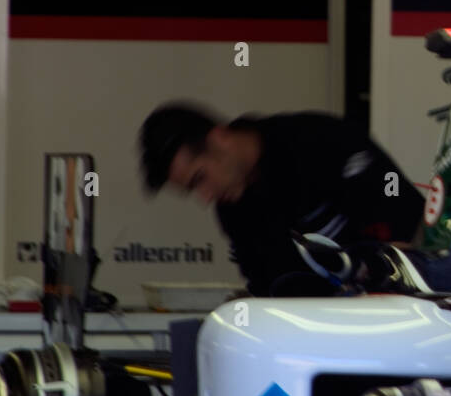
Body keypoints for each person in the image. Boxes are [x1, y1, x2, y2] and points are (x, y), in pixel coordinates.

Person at [139, 102, 425, 296]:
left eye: (200, 178)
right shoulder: (234, 211)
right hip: (327, 341)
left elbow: (408, 231)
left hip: (409, 310)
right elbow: (271, 292)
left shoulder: (321, 141)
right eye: (193, 190)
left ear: (219, 139)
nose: (205, 197)